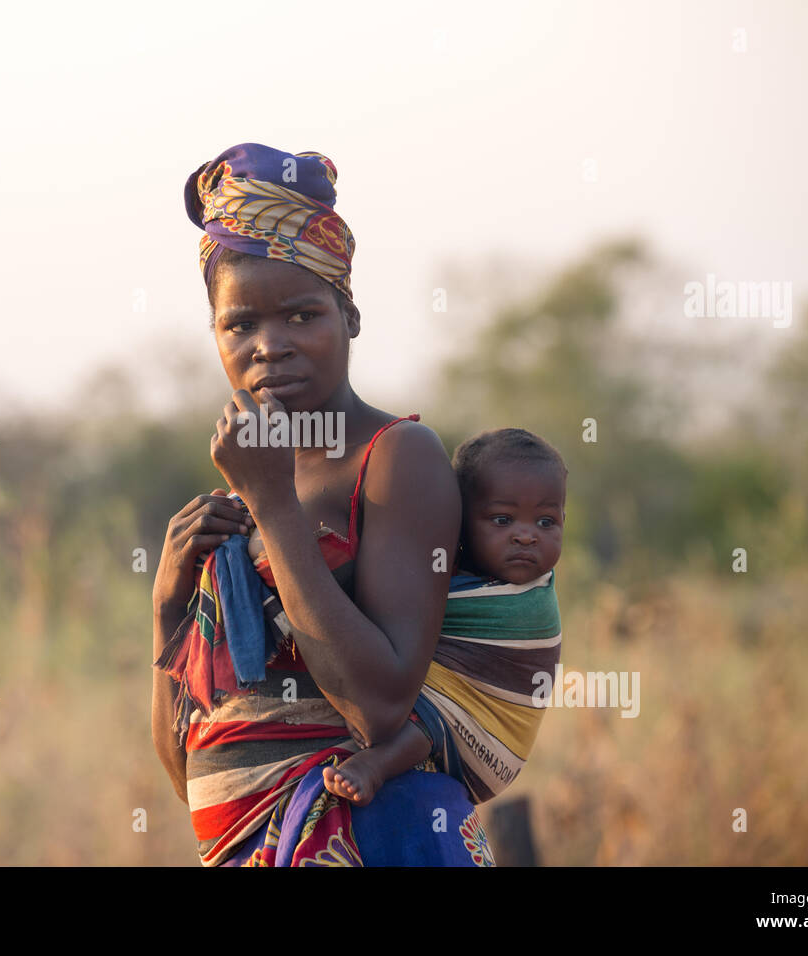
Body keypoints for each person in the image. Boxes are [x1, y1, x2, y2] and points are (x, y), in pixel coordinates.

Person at [151, 142, 496, 866]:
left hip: (381, 833)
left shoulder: (397, 459)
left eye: (303, 315)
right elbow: (188, 773)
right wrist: (167, 606)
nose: (270, 346)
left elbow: (379, 709)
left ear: (350, 314)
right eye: (239, 324)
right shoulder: (246, 489)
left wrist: (275, 508)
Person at [322, 428, 566, 807]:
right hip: (459, 730)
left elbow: (399, 606)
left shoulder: (526, 605)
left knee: (435, 716)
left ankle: (374, 766)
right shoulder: (452, 566)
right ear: (458, 521)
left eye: (546, 522)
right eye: (502, 520)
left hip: (487, 735)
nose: (526, 536)